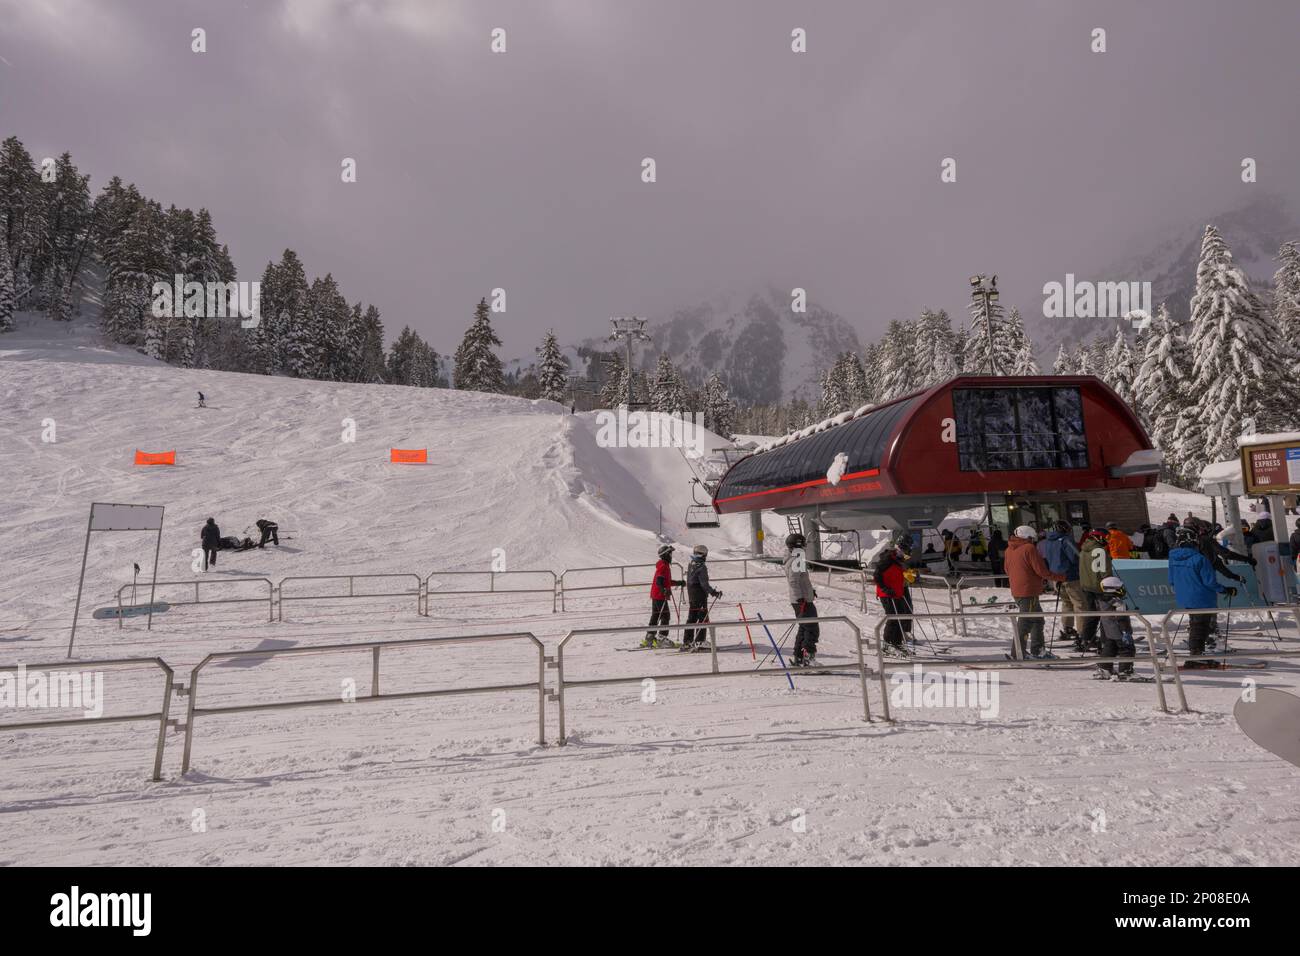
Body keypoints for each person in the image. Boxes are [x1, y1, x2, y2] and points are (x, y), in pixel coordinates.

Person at [1168, 526, 1236, 669]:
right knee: (1200, 627)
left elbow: (1172, 580)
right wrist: (1225, 590)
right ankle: (1196, 655)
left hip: (1185, 597)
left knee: (1195, 625)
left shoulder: (1173, 558)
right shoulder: (1199, 559)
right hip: (1202, 597)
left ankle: (1197, 654)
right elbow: (1209, 582)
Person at [1005, 525, 1066, 658]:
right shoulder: (1029, 548)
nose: (1034, 541)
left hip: (1018, 589)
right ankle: (1018, 653)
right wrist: (1060, 577)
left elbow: (1007, 569)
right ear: (1028, 537)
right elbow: (1041, 571)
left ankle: (1038, 649)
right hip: (1029, 591)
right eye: (1032, 538)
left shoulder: (1009, 549)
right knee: (1026, 622)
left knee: (1037, 620)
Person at [1041, 520, 1085, 647]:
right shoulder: (1066, 540)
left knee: (1066, 603)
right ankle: (1083, 633)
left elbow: (1047, 558)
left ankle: (1068, 627)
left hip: (1057, 577)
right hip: (1071, 576)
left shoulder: (1048, 542)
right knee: (1080, 604)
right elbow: (1076, 557)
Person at [783, 533, 820, 666]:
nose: (805, 548)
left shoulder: (794, 559)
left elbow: (800, 580)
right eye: (803, 545)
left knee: (804, 628)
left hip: (801, 599)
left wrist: (810, 591)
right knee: (811, 628)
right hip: (802, 601)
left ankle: (798, 657)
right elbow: (793, 581)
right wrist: (800, 598)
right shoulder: (796, 561)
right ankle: (808, 658)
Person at [1093, 576, 1137, 680]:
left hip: (1109, 631)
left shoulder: (1101, 600)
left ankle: (1104, 668)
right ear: (1113, 589)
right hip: (1119, 631)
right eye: (1120, 588)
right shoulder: (1118, 602)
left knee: (1110, 648)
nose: (1123, 591)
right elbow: (1121, 617)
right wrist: (1126, 631)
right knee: (1127, 649)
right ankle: (1125, 671)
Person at [1077, 528, 1113, 652]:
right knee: (1105, 614)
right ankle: (1107, 641)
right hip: (1099, 587)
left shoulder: (1084, 549)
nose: (1107, 541)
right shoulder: (1099, 551)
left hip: (1087, 586)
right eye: (1106, 538)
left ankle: (1086, 639)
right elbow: (1104, 571)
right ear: (1099, 537)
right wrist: (1110, 586)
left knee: (1092, 613)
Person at [642, 544, 683, 648]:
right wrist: (663, 590)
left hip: (656, 594)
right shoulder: (663, 566)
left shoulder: (663, 565)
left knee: (655, 615)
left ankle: (649, 638)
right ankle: (661, 638)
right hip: (660, 595)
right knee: (665, 616)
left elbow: (666, 581)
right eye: (670, 553)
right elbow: (659, 580)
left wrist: (679, 583)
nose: (671, 556)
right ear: (665, 555)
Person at [681, 545, 721, 651]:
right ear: (703, 554)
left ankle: (688, 641)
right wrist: (713, 592)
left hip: (692, 595)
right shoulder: (701, 566)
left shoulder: (691, 564)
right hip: (699, 595)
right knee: (703, 617)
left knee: (692, 617)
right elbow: (704, 584)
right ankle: (700, 641)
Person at [873, 542, 912, 652]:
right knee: (893, 617)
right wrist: (885, 588)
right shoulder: (887, 559)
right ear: (900, 551)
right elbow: (876, 575)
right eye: (905, 554)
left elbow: (898, 575)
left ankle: (897, 642)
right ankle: (887, 643)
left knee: (900, 616)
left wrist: (911, 576)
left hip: (897, 592)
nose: (906, 557)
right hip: (887, 593)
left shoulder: (898, 560)